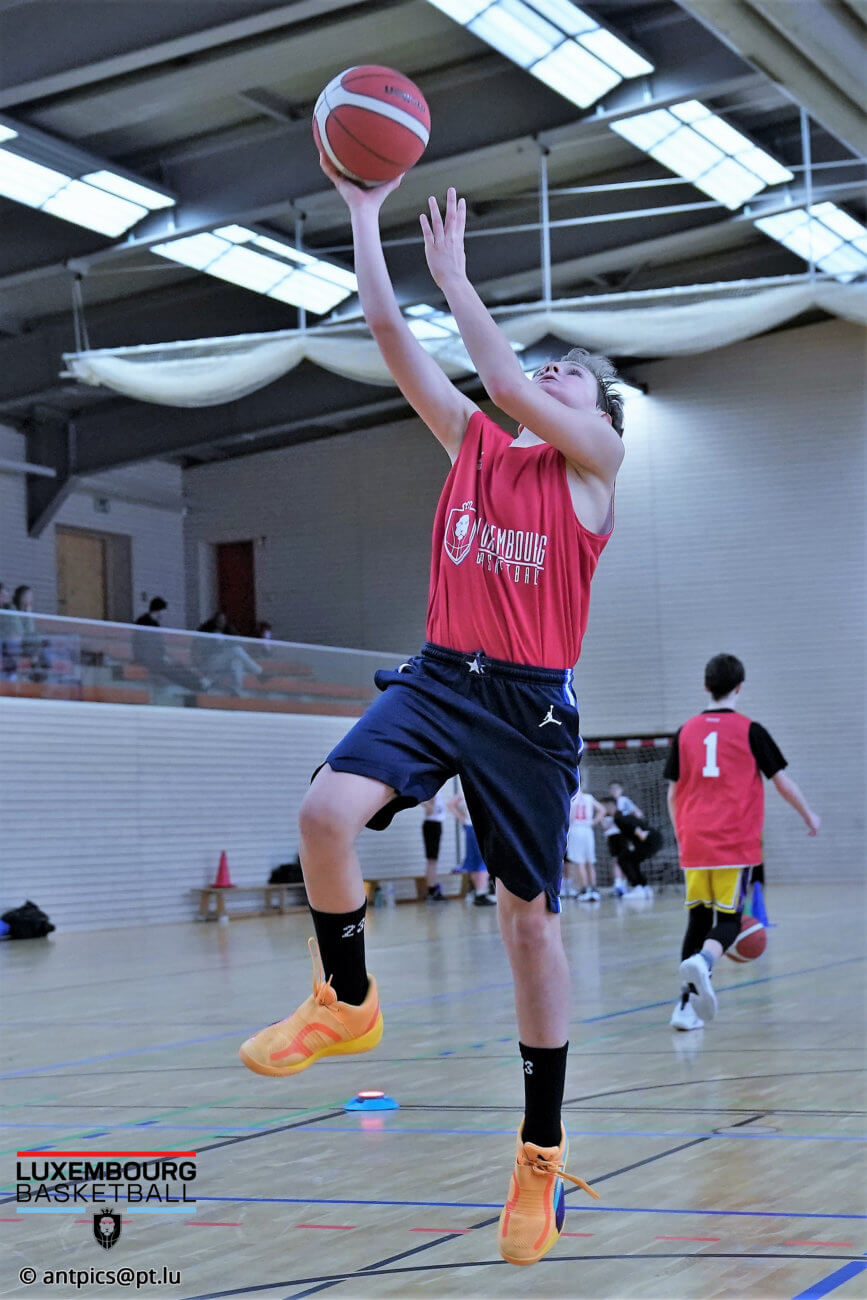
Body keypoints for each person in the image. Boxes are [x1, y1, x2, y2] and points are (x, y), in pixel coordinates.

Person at [239, 155, 624, 1266]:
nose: (547, 374)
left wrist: (456, 281)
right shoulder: (475, 446)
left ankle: (539, 1153)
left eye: (568, 375)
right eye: (546, 366)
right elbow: (389, 335)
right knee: (324, 815)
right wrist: (365, 215)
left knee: (525, 923)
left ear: (598, 416)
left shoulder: (593, 471)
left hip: (527, 711)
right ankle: (347, 997)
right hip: (441, 675)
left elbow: (500, 375)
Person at [665, 653, 820, 1031]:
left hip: (694, 844)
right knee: (729, 921)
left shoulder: (684, 732)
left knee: (697, 922)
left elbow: (672, 794)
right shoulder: (752, 731)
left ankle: (685, 1009)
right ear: (739, 687)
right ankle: (705, 961)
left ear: (706, 686)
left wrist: (682, 835)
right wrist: (808, 815)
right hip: (733, 845)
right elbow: (781, 782)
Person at [133, 597, 207, 694]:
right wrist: (160, 657)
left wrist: (165, 656)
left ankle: (199, 682)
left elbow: (158, 645)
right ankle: (196, 686)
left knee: (177, 665)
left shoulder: (155, 623)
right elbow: (145, 644)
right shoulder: (143, 621)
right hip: (147, 658)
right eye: (164, 610)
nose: (165, 613)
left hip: (157, 657)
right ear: (159, 610)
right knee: (171, 670)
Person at [600, 797, 660, 898]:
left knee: (624, 859)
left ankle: (638, 888)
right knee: (629, 859)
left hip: (649, 841)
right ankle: (644, 887)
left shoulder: (619, 818)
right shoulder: (621, 815)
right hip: (651, 839)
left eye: (603, 808)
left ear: (610, 806)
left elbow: (635, 829)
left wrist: (642, 837)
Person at [447, 787, 496, 907]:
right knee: (482, 861)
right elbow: (451, 804)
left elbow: (451, 804)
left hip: (470, 827)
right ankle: (481, 893)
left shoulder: (469, 788)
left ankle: (479, 892)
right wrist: (462, 817)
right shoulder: (478, 788)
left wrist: (463, 818)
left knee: (474, 861)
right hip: (477, 827)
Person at [194, 612, 264, 695]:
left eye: (223, 620)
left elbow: (238, 642)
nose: (221, 622)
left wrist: (227, 645)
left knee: (237, 662)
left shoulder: (228, 630)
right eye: (219, 621)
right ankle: (259, 673)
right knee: (236, 650)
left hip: (224, 662)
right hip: (209, 662)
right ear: (214, 621)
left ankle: (236, 690)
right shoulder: (206, 630)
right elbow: (202, 650)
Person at [603, 780, 643, 896]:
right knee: (616, 859)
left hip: (624, 834)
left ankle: (629, 884)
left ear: (621, 790)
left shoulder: (625, 801)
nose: (614, 791)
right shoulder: (608, 803)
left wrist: (632, 824)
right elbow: (603, 818)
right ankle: (618, 884)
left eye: (617, 788)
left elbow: (638, 813)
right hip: (612, 835)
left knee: (625, 859)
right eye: (612, 789)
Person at [564, 787, 605, 900]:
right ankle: (594, 889)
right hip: (587, 829)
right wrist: (593, 822)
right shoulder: (588, 797)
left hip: (575, 829)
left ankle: (584, 889)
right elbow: (602, 810)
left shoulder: (570, 798)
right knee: (590, 861)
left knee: (580, 862)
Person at [420, 790, 448, 902]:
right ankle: (431, 890)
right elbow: (423, 800)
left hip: (434, 824)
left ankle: (432, 888)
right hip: (432, 825)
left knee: (433, 860)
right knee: (432, 860)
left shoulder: (436, 790)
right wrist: (429, 807)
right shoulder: (432, 789)